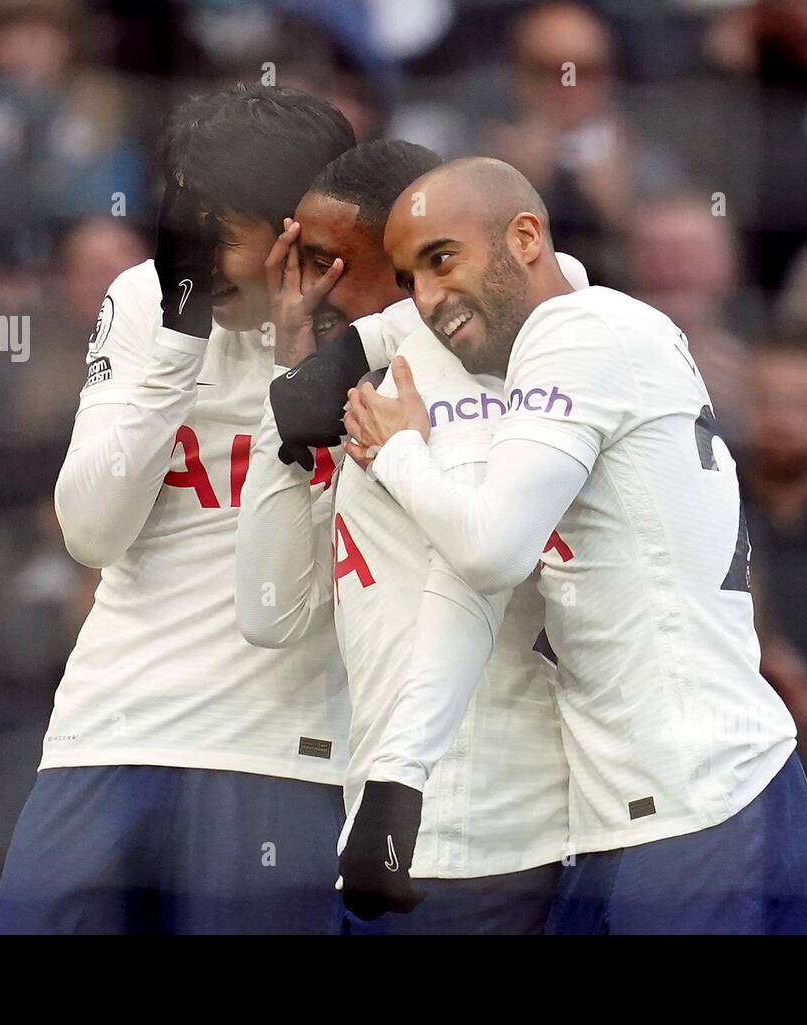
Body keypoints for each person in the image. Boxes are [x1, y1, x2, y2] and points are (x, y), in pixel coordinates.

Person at [337, 157, 807, 934]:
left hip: (702, 806)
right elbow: (475, 573)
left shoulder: (580, 332)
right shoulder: (572, 340)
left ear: (526, 236)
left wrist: (397, 453)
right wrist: (400, 776)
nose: (425, 299)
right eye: (407, 279)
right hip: (619, 818)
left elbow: (491, 552)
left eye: (441, 258)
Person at [0, 85, 356, 934]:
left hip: (285, 752)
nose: (196, 244)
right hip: (109, 733)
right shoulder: (147, 299)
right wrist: (180, 340)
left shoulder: (383, 329)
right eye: (183, 213)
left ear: (303, 225)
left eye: (221, 223)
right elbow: (90, 530)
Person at [236, 140, 587, 932]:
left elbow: (481, 573)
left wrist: (389, 405)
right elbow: (271, 613)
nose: (302, 286)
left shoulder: (490, 381)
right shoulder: (364, 399)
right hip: (399, 836)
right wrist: (289, 391)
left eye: (326, 262)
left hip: (492, 835)